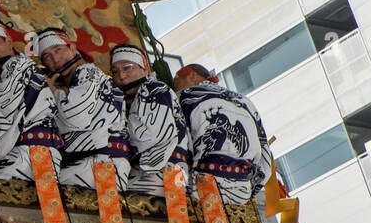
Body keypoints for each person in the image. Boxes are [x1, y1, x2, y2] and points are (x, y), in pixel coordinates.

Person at [36, 28, 130, 189]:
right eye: (47, 56)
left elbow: (76, 116)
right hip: (94, 163)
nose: (55, 59)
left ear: (72, 48)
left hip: (99, 161)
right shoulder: (68, 86)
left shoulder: (88, 72)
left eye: (58, 50)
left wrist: (52, 92)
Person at [0, 16, 62, 181]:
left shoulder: (22, 67)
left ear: (9, 41)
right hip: (32, 154)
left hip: (29, 155)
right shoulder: (12, 74)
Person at [174, 63, 272, 204]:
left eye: (176, 82)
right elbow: (266, 157)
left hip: (201, 185)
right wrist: (250, 191)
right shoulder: (245, 102)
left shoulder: (184, 98)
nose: (175, 88)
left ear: (192, 75)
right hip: (241, 191)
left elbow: (177, 143)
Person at [109, 44, 191, 196]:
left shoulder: (153, 89)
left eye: (127, 67)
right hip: (169, 172)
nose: (121, 76)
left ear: (144, 69)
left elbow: (147, 137)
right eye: (115, 72)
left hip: (159, 171)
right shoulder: (135, 99)